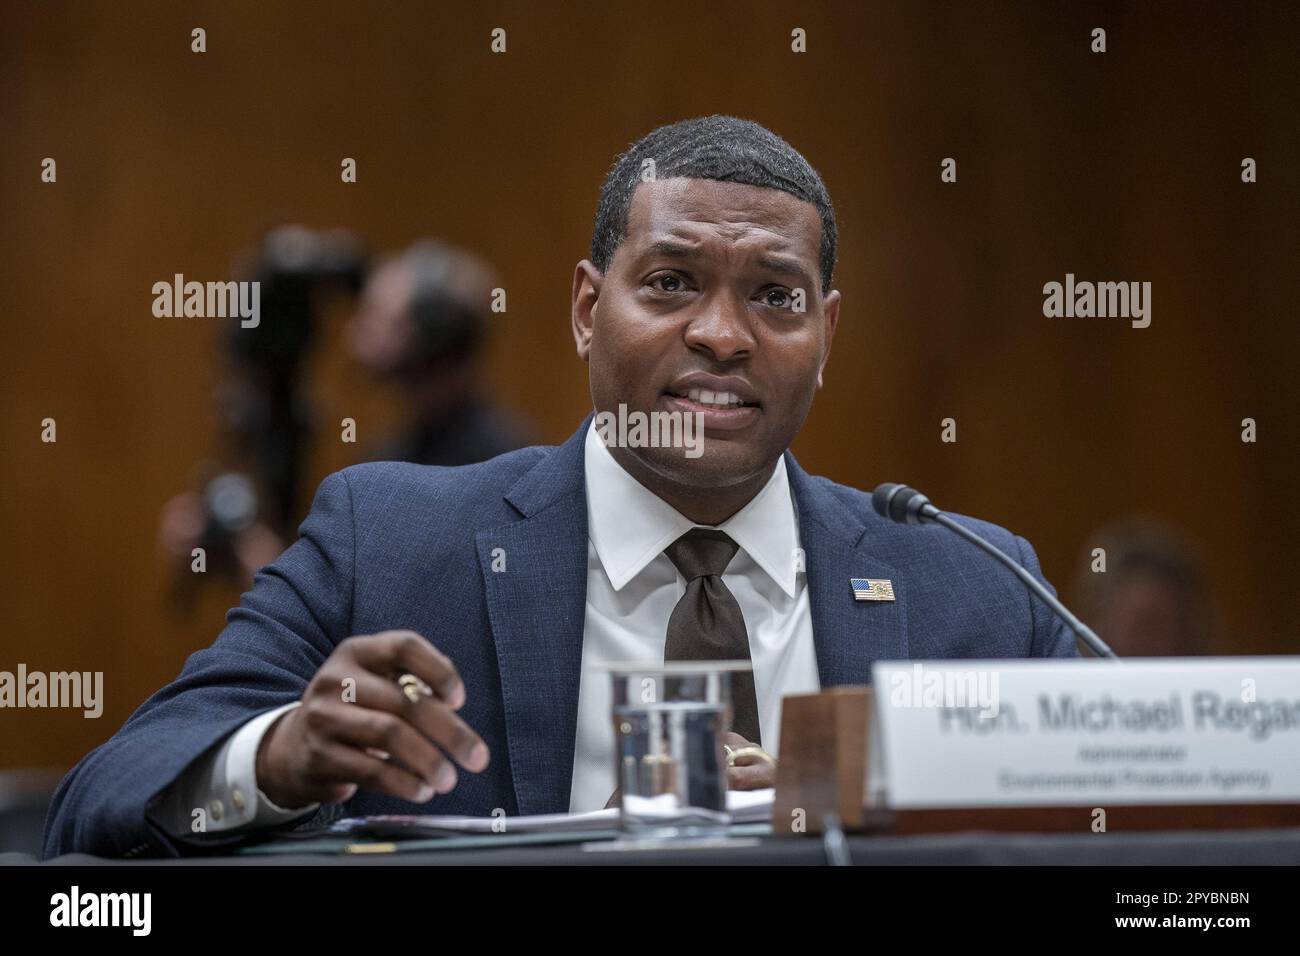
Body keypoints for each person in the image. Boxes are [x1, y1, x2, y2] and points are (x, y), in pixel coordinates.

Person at [44, 115, 1077, 859]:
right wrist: (279, 755)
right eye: (671, 281)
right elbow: (104, 798)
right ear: (588, 308)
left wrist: (881, 788)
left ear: (827, 335)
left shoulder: (972, 587)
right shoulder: (392, 542)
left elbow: (1128, 839)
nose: (722, 334)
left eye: (774, 295)